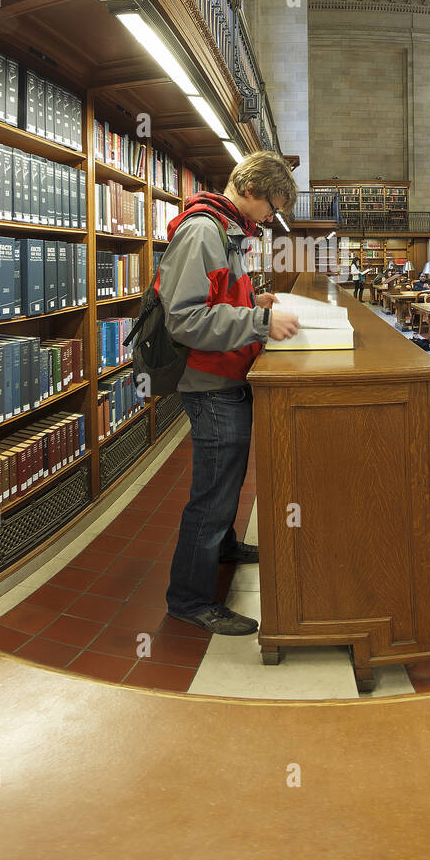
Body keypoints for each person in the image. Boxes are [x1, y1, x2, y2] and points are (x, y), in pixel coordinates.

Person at [157, 150, 302, 636]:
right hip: (210, 381)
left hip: (227, 374)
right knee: (213, 492)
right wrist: (260, 320)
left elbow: (219, 299)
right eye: (272, 207)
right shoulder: (204, 230)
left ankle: (222, 547)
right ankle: (190, 599)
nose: (270, 218)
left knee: (227, 480)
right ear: (255, 191)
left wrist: (252, 300)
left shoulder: (227, 229)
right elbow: (185, 318)